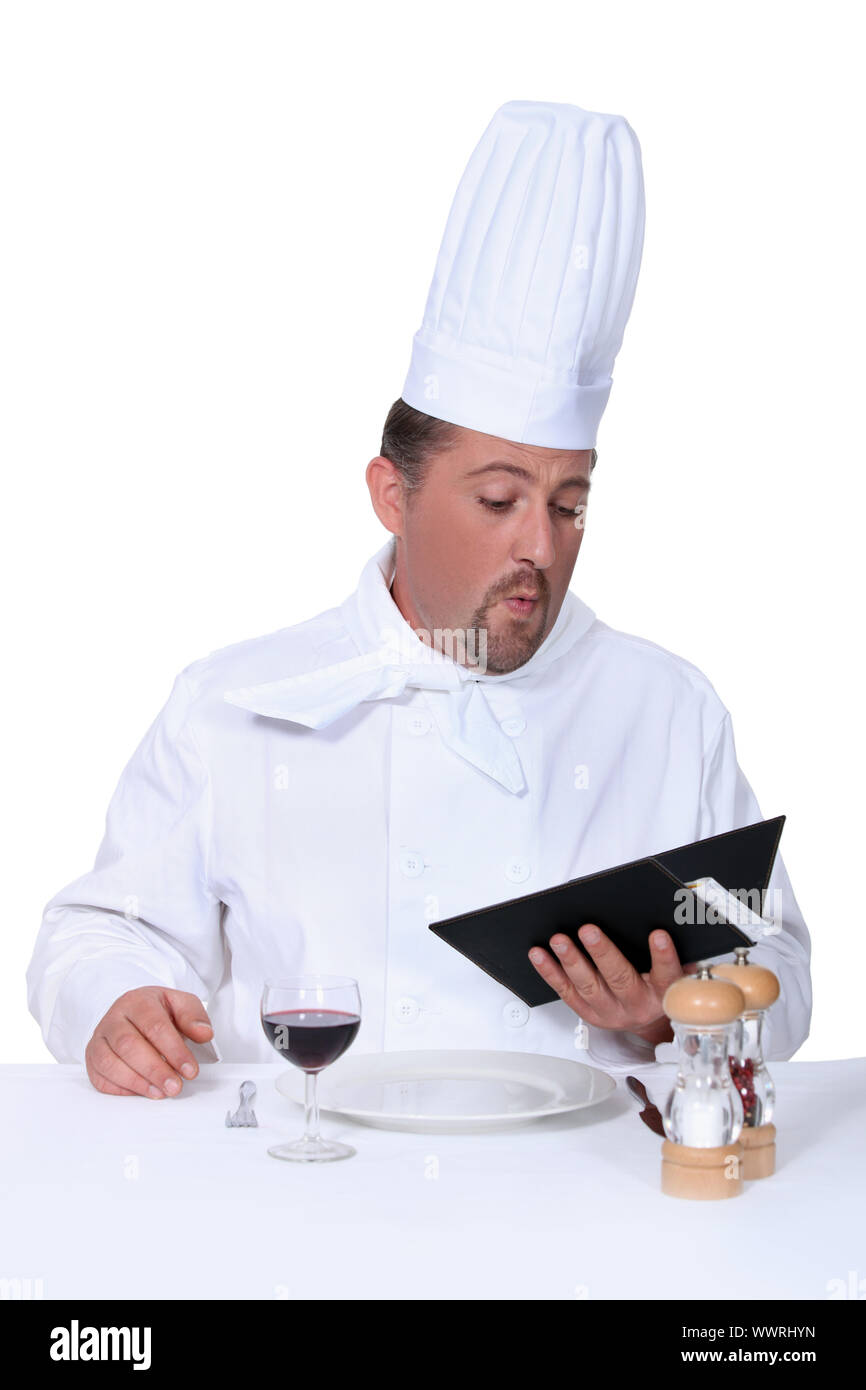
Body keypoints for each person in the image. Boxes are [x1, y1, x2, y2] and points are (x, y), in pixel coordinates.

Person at [27, 100, 811, 1098]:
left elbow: (780, 976)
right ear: (390, 494)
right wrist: (115, 1000)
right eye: (497, 499)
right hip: (302, 1195)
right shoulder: (230, 700)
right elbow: (100, 928)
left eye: (570, 503)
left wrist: (670, 1012)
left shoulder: (666, 709)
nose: (539, 545)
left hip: (588, 1208)